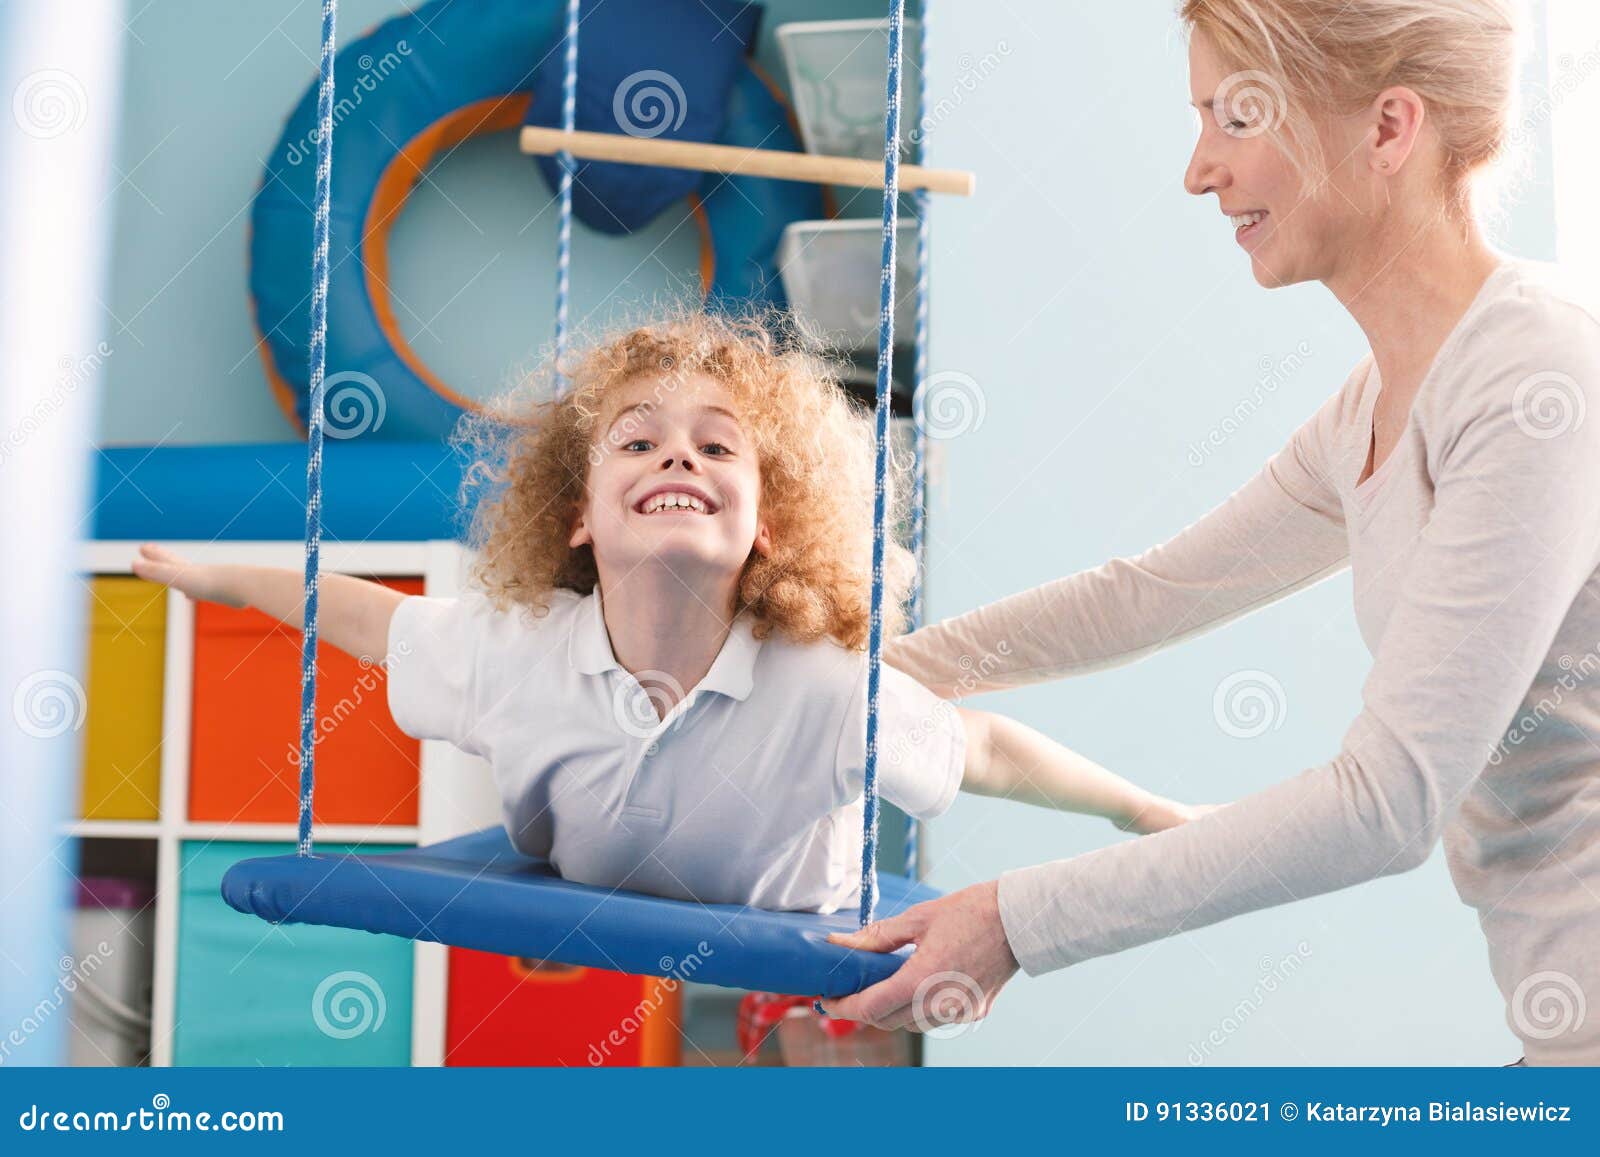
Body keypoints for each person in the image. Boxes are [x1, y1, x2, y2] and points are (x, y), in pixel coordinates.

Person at [821, 0, 1600, 1066]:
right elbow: (1148, 594)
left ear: (1387, 128)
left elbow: (1384, 804)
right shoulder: (1376, 406)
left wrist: (1015, 919)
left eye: (1237, 118)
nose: (1199, 172)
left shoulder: (1535, 379)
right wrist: (867, 683)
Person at [132, 309, 1214, 915]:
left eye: (716, 444)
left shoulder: (823, 692)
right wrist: (219, 580)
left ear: (770, 526)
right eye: (639, 441)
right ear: (577, 517)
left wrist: (1137, 808)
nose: (678, 456)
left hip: (793, 908)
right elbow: (369, 619)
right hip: (589, 876)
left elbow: (983, 747)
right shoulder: (518, 653)